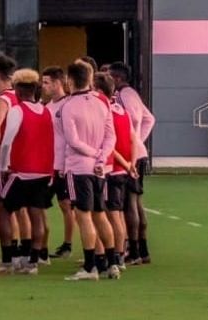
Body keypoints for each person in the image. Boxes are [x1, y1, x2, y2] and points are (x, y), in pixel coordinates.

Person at [61, 60, 117, 281]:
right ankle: (112, 263)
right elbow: (111, 135)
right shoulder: (102, 101)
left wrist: (93, 154)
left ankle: (90, 266)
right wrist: (102, 157)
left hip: (79, 167)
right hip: (100, 169)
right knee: (100, 214)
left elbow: (73, 140)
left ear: (70, 80)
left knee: (83, 217)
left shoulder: (68, 106)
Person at [0, 69, 55, 276]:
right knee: (36, 214)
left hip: (22, 172)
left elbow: (6, 143)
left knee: (2, 210)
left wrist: (4, 167)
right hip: (43, 172)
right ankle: (32, 262)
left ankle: (8, 259)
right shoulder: (46, 111)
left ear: (19, 90)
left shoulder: (18, 111)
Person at [110, 61, 155, 265]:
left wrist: (133, 142)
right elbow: (149, 118)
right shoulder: (132, 94)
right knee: (136, 202)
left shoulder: (123, 96)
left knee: (129, 204)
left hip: (131, 155)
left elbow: (135, 119)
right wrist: (139, 140)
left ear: (118, 78)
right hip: (137, 152)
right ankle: (142, 250)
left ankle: (134, 251)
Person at [0, 54, 26, 273]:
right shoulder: (22, 97)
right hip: (21, 159)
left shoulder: (3, 100)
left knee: (2, 210)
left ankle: (7, 259)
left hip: (4, 159)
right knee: (20, 209)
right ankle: (25, 254)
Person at [99, 71, 137, 280]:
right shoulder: (121, 109)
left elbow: (109, 144)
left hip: (112, 169)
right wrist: (131, 163)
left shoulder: (105, 111)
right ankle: (120, 255)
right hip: (122, 169)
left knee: (109, 215)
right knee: (118, 214)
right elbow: (132, 138)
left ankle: (111, 255)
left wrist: (125, 163)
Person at [41, 66, 75, 259]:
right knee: (41, 205)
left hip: (63, 164)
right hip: (48, 165)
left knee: (66, 205)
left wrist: (66, 163)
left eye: (46, 82)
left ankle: (67, 244)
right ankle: (41, 246)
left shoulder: (68, 104)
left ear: (57, 83)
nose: (43, 86)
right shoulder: (46, 107)